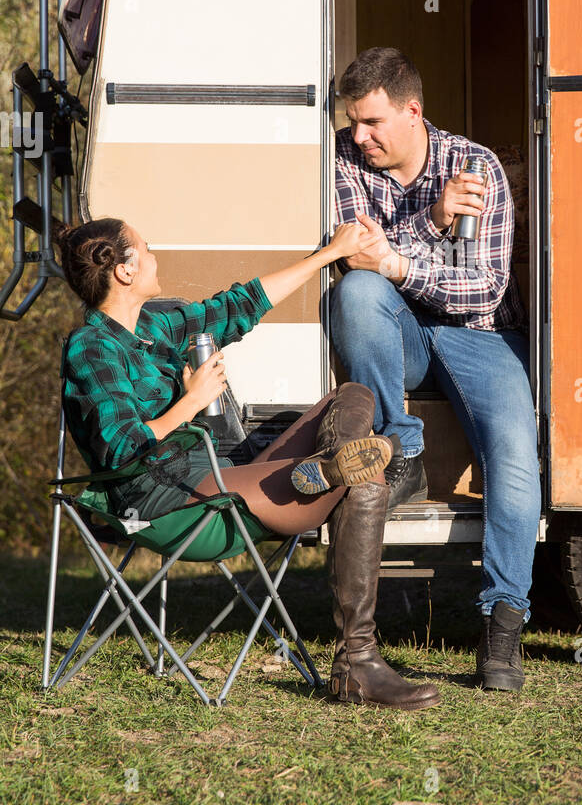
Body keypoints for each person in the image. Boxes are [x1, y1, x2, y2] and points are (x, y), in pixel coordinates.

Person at [56, 217, 440, 712]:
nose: (156, 256)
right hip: (171, 501)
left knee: (353, 394)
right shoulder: (92, 347)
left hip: (218, 476)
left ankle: (327, 467)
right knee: (365, 485)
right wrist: (191, 403)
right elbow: (121, 448)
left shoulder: (154, 325)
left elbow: (239, 305)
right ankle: (356, 663)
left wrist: (328, 256)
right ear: (124, 271)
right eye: (146, 250)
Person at [330, 46, 541, 693]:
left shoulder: (473, 166)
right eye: (354, 122)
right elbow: (354, 260)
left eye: (372, 123)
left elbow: (480, 289)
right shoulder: (342, 157)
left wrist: (398, 261)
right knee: (354, 295)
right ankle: (403, 448)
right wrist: (432, 221)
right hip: (403, 330)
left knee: (511, 452)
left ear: (412, 111)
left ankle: (503, 623)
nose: (359, 136)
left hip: (481, 333)